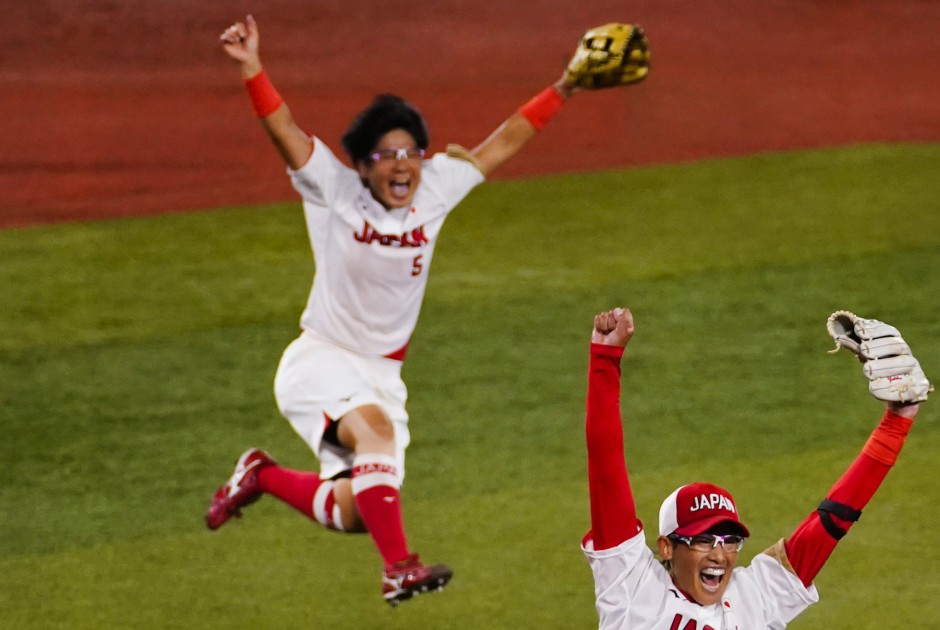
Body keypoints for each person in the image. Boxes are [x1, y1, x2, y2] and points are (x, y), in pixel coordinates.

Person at [204, 15, 640, 606]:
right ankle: (399, 569)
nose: (401, 165)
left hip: (384, 375)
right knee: (376, 439)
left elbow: (505, 140)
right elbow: (284, 130)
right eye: (386, 155)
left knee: (358, 509)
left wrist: (564, 85)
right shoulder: (333, 190)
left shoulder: (435, 187)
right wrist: (253, 68)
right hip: (321, 357)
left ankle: (262, 475)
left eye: (410, 151)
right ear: (362, 164)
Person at [582, 307, 929, 629]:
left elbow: (833, 520)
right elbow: (605, 468)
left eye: (730, 540)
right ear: (667, 547)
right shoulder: (632, 585)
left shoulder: (754, 595)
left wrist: (896, 422)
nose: (719, 554)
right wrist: (605, 360)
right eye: (703, 540)